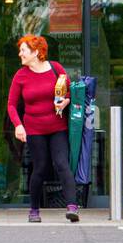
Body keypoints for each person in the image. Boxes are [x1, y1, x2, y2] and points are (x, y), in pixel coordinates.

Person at [6, 34, 78, 223]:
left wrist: (66, 101)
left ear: (36, 52)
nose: (20, 54)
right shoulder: (20, 75)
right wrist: (18, 126)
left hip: (57, 127)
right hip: (34, 130)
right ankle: (34, 209)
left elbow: (69, 91)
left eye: (23, 50)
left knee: (62, 164)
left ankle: (72, 207)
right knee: (40, 168)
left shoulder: (56, 69)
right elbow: (11, 105)